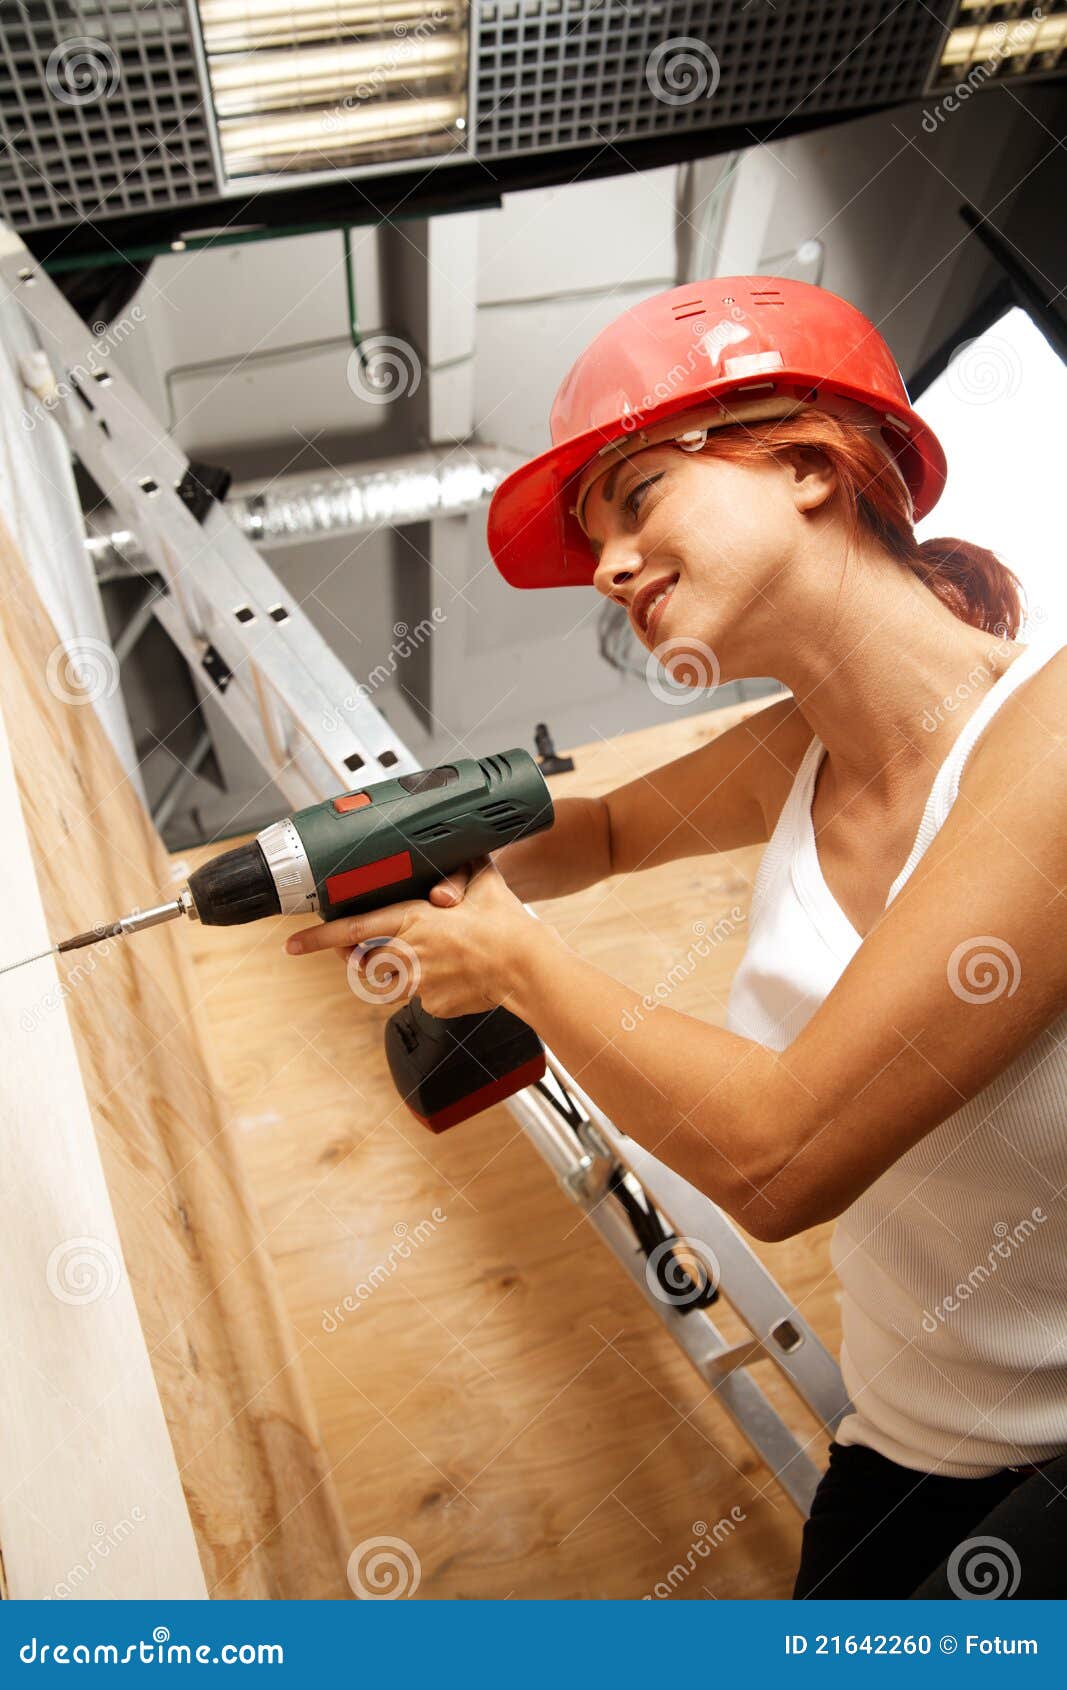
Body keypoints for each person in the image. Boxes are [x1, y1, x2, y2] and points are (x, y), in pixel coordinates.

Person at [285, 278, 1066, 1598]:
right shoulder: (800, 755)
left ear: (812, 464)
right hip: (905, 1458)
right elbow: (590, 835)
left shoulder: (1048, 740)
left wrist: (515, 965)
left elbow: (784, 1156)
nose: (605, 566)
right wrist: (383, 863)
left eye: (639, 496)